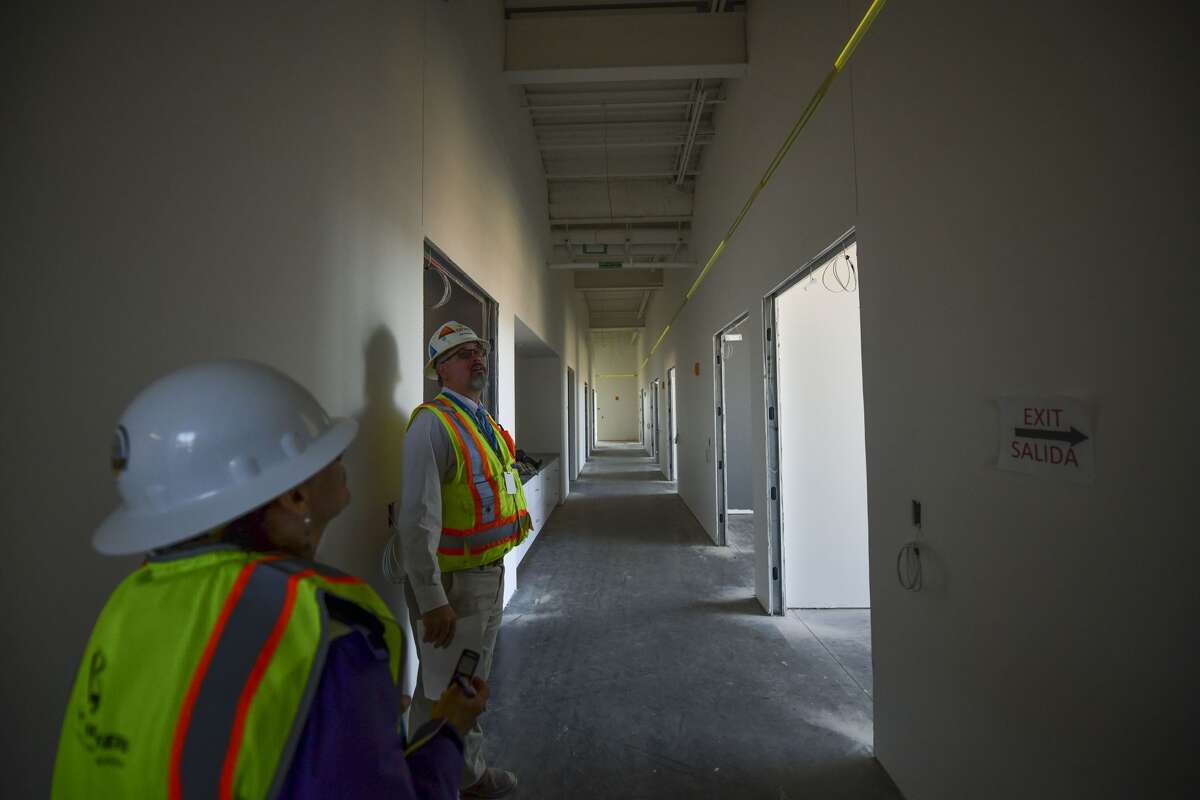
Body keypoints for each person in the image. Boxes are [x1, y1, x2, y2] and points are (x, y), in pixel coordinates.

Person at [51, 360, 487, 799]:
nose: (342, 465)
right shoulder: (326, 632)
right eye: (330, 455)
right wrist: (447, 731)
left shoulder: (130, 599)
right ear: (296, 494)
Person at [392, 321, 531, 799]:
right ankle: (463, 782)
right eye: (462, 353)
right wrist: (431, 599)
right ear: (439, 369)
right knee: (451, 690)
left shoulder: (482, 421)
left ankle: (443, 777)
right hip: (453, 587)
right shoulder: (432, 423)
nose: (477, 358)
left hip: (486, 576)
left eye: (479, 350)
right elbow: (416, 519)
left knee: (455, 685)